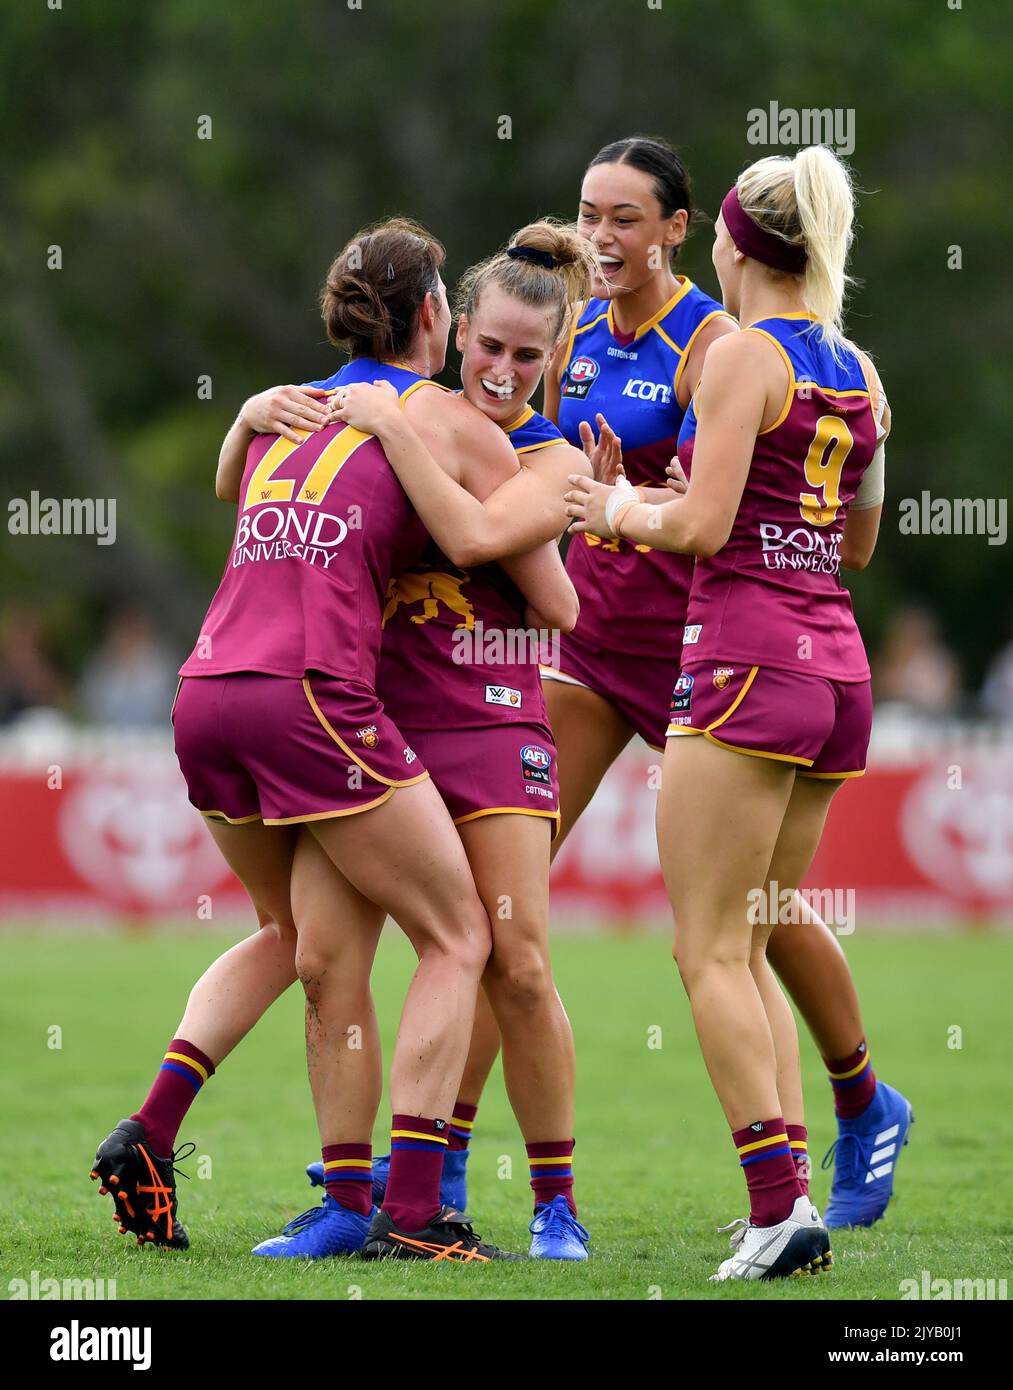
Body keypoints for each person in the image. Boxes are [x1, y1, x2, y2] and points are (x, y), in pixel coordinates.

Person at [435, 136, 909, 1236]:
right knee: (496, 905)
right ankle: (442, 1160)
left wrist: (633, 508)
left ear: (681, 231)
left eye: (623, 218)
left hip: (718, 653)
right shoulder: (579, 333)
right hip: (602, 655)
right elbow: (523, 449)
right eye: (588, 214)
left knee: (753, 928)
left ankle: (852, 1106)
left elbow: (718, 515)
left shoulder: (720, 343)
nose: (599, 236)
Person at [89, 217, 568, 1263]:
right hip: (309, 698)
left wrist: (242, 417)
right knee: (457, 937)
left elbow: (231, 483)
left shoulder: (283, 411)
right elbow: (527, 574)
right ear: (437, 317)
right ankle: (414, 1214)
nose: (491, 364)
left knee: (300, 944)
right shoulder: (442, 419)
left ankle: (163, 1133)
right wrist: (577, 493)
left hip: (205, 692)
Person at [565, 146, 913, 1278]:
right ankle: (793, 1190)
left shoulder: (736, 355)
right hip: (835, 674)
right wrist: (680, 501)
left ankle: (775, 1206)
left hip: (745, 664)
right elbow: (848, 542)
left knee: (707, 949)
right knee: (751, 936)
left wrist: (610, 502)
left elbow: (706, 531)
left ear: (724, 241)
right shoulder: (856, 369)